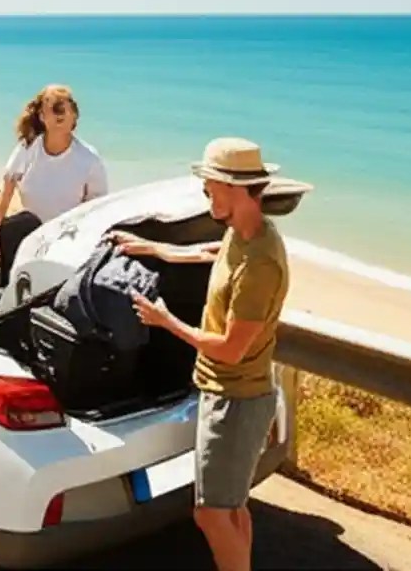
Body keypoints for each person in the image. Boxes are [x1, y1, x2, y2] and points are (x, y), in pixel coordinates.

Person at [108, 137, 289, 571]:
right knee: (231, 509)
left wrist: (165, 321)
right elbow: (210, 254)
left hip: (237, 401)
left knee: (210, 514)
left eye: (210, 185)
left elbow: (230, 349)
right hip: (227, 395)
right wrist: (152, 248)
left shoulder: (260, 264)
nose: (204, 191)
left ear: (234, 188)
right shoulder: (243, 233)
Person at [0, 84, 109, 284]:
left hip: (66, 244)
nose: (59, 111)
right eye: (52, 106)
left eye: (65, 106)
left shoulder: (89, 160)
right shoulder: (27, 149)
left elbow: (96, 212)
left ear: (74, 116)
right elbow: (4, 197)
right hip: (28, 240)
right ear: (42, 117)